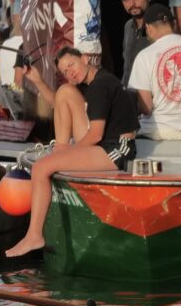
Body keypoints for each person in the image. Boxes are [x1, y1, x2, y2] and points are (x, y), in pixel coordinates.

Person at [8, 47, 140, 258]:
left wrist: (62, 157)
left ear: (85, 58)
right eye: (65, 72)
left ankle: (34, 235)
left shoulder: (101, 85)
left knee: (41, 168)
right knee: (64, 92)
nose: (70, 73)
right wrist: (38, 81)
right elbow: (59, 102)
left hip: (117, 149)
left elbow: (95, 135)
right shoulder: (89, 82)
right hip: (102, 144)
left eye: (72, 65)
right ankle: (59, 154)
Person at [128, 4, 181, 141]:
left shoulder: (144, 56)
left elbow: (146, 107)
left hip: (154, 135)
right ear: (173, 24)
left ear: (148, 28)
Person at [114, 0, 154, 80]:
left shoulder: (160, 26)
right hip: (128, 92)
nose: (132, 3)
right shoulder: (128, 26)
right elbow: (127, 66)